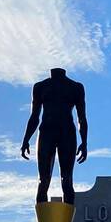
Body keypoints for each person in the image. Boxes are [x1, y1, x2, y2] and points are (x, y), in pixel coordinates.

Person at [21, 68, 88, 204]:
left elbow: (81, 118)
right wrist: (26, 139)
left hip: (67, 134)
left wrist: (84, 142)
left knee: (67, 181)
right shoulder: (40, 87)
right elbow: (34, 117)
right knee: (43, 181)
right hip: (46, 133)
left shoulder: (75, 87)